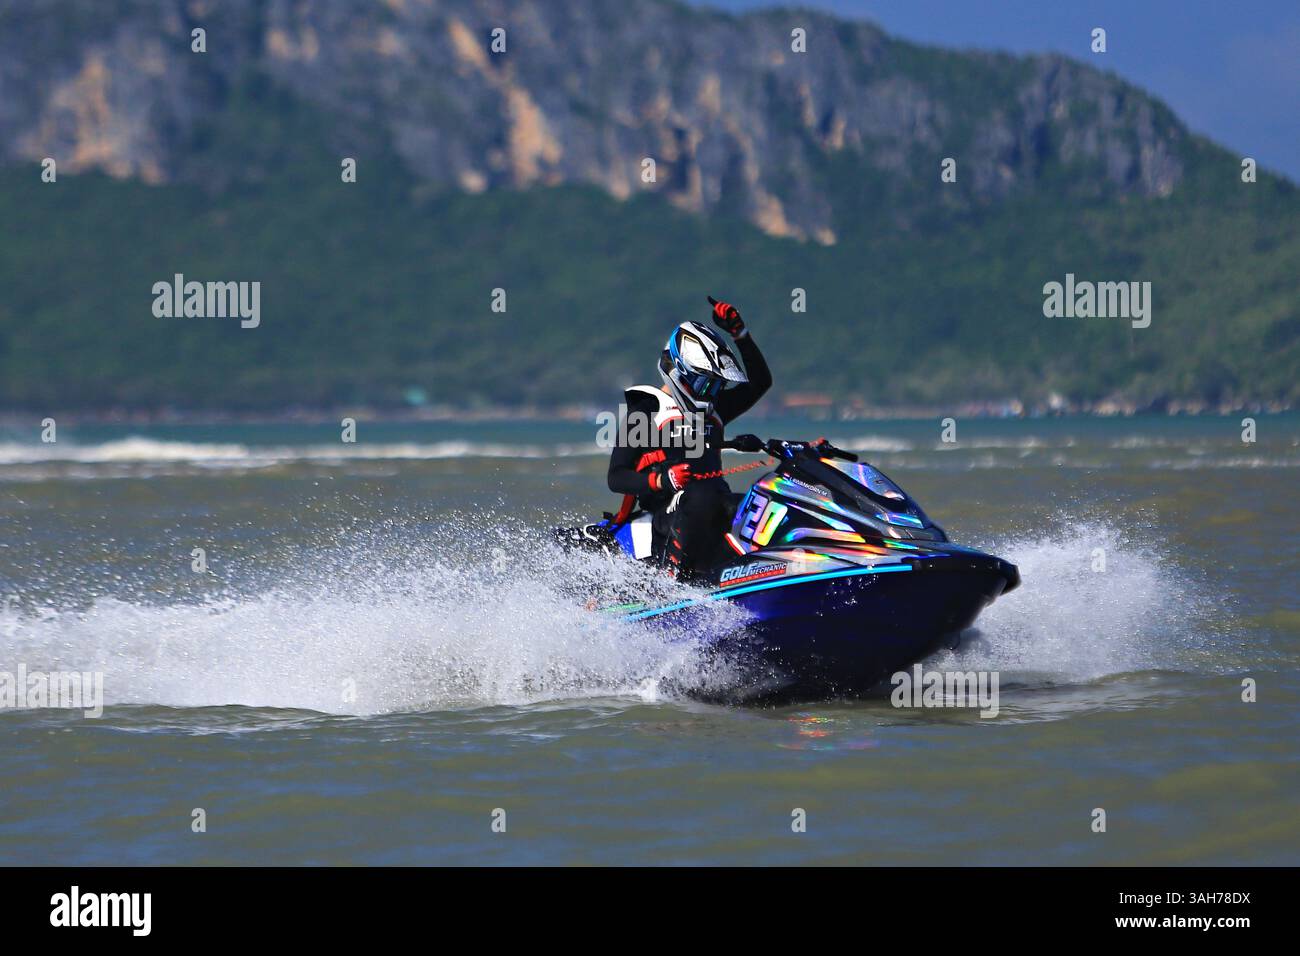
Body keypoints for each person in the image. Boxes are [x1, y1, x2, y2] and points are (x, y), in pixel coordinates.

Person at [607, 297, 771, 581]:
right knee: (701, 496)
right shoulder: (646, 411)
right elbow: (616, 476)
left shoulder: (714, 410)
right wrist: (659, 480)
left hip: (712, 506)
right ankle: (672, 582)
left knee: (761, 505)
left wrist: (740, 335)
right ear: (677, 370)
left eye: (716, 385)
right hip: (667, 517)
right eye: (704, 383)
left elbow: (760, 383)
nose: (709, 393)